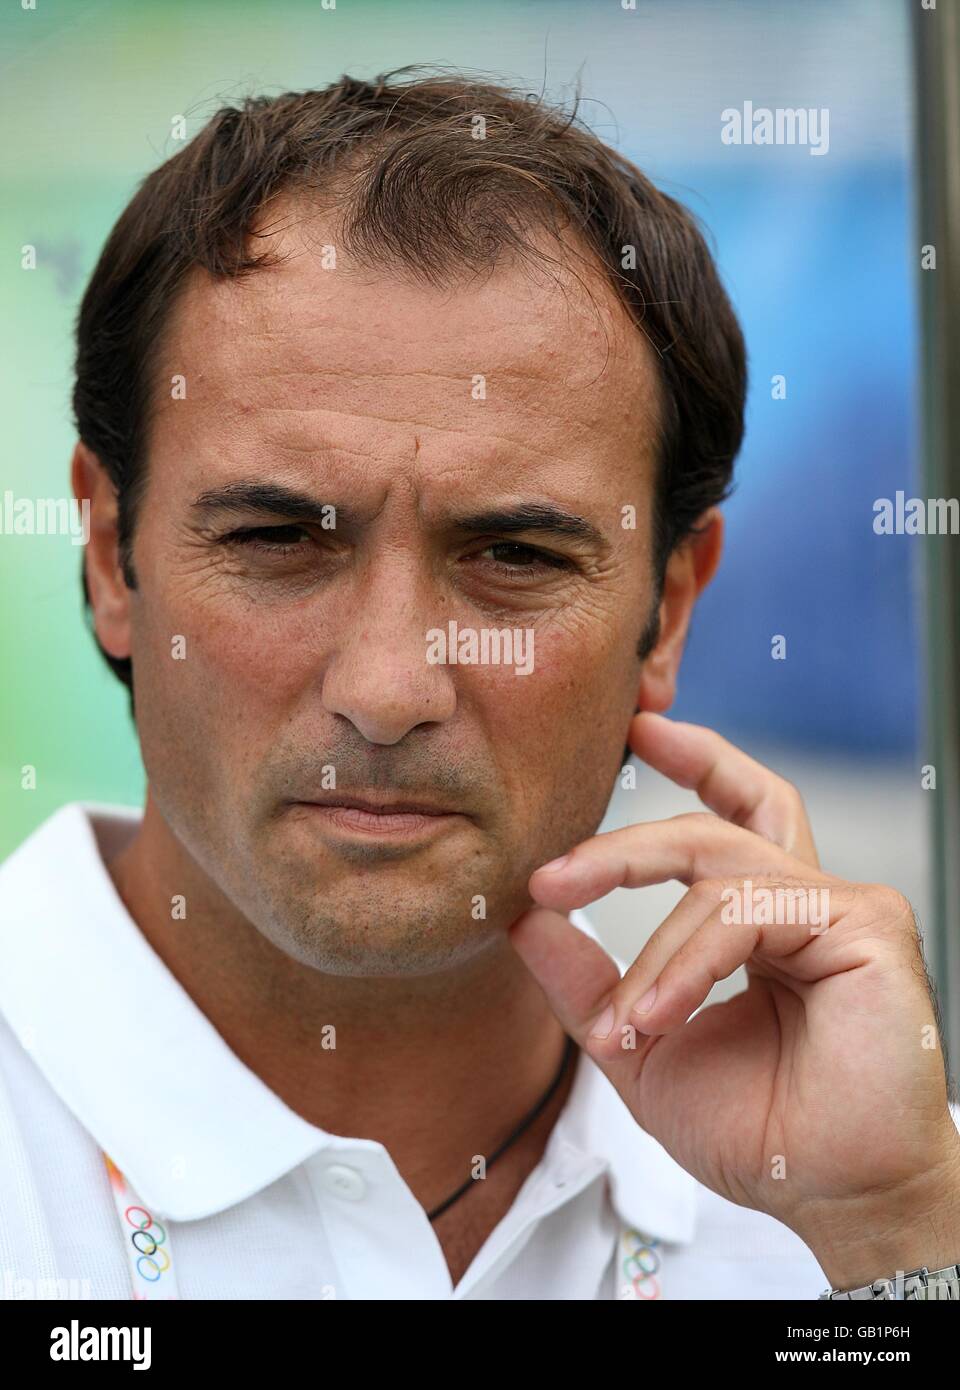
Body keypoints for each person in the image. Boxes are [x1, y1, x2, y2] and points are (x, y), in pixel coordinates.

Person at [1, 69, 958, 1302]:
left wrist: (887, 1241)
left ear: (668, 608)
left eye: (513, 556)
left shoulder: (845, 1190)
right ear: (107, 552)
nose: (390, 688)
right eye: (279, 540)